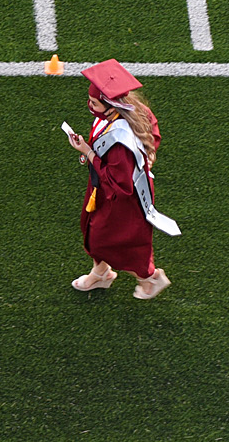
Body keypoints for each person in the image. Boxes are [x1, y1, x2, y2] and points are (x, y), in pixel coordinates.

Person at [63, 59, 178, 299]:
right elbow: (153, 132)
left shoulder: (120, 143)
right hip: (111, 189)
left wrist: (87, 152)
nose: (90, 105)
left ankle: (150, 279)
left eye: (94, 102)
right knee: (95, 232)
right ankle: (102, 272)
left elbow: (120, 182)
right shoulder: (134, 111)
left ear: (109, 104)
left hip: (122, 199)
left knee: (113, 239)